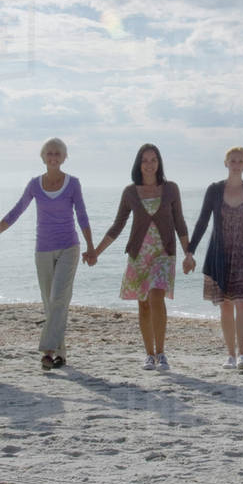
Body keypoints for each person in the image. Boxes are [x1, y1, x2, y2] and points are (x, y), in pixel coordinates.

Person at [0, 138, 94, 371]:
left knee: (58, 297)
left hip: (69, 247)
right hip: (43, 249)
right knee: (51, 303)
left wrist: (91, 246)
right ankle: (61, 354)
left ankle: (47, 351)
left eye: (58, 153)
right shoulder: (35, 184)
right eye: (49, 153)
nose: (53, 157)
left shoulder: (73, 183)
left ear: (64, 157)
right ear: (43, 157)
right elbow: (17, 210)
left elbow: (82, 215)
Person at [91, 144, 190, 371]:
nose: (149, 164)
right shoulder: (130, 192)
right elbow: (117, 226)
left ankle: (162, 353)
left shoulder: (171, 189)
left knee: (157, 297)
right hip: (139, 255)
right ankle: (149, 354)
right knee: (144, 305)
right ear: (138, 164)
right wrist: (96, 252)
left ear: (159, 163)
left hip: (164, 253)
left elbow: (180, 222)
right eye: (145, 160)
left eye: (153, 159)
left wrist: (188, 253)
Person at [183, 147, 243, 370]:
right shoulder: (214, 190)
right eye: (232, 160)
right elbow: (202, 221)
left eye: (240, 160)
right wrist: (190, 251)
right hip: (219, 255)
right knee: (225, 306)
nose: (236, 163)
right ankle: (230, 355)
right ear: (226, 163)